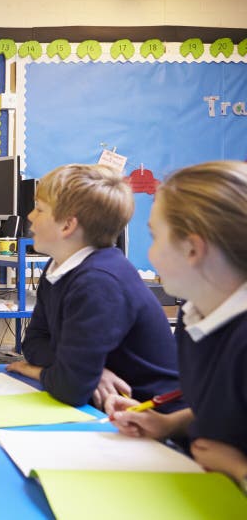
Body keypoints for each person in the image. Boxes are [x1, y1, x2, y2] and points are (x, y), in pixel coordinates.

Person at [107, 161, 247, 487]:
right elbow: (223, 409)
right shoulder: (196, 314)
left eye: (155, 237)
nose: (151, 254)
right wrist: (168, 424)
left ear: (193, 248)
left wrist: (239, 468)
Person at [6, 164, 182, 410]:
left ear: (67, 225)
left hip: (150, 414)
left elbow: (71, 389)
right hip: (107, 408)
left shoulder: (98, 282)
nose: (30, 216)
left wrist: (36, 371)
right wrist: (91, 373)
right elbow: (34, 342)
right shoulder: (58, 267)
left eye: (39, 209)